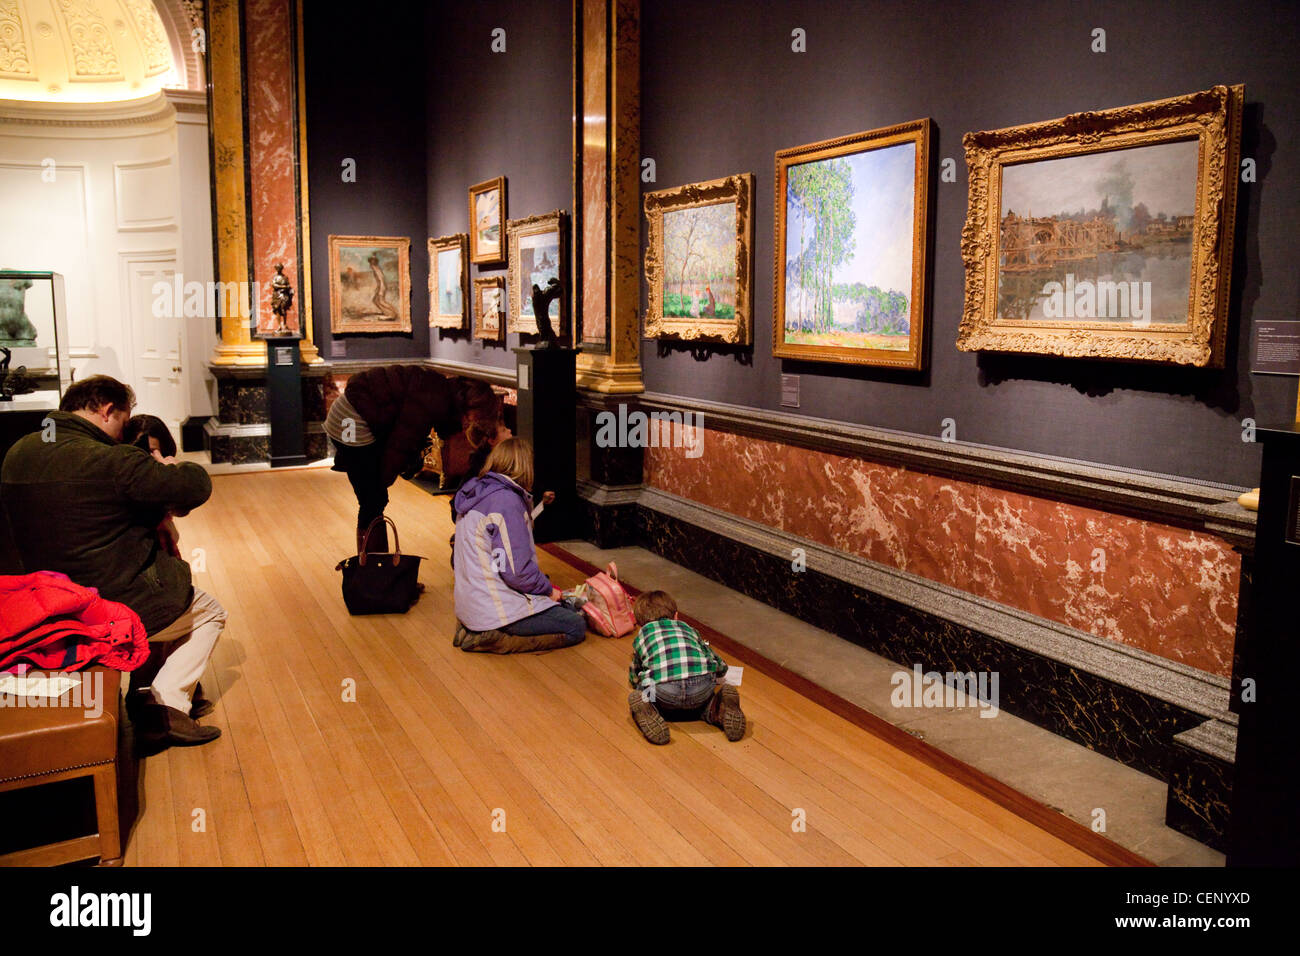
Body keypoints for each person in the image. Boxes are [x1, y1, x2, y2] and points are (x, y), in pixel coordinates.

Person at [0, 375, 225, 748]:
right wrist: (167, 465)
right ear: (107, 410)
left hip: (39, 602)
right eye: (123, 418)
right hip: (100, 605)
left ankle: (145, 687)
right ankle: (165, 706)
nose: (122, 430)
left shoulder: (17, 452)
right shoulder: (110, 459)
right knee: (208, 611)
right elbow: (194, 485)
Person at [324, 365, 502, 554]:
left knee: (373, 500)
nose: (473, 422)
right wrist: (384, 478)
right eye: (477, 416)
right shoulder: (433, 398)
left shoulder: (440, 391)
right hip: (350, 420)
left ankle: (377, 570)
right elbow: (401, 443)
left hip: (350, 416)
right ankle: (373, 574)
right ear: (470, 405)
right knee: (372, 500)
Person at [451, 437, 586, 649]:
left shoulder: (479, 491)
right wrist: (548, 590)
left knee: (564, 608)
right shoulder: (505, 501)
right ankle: (492, 639)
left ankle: (474, 630)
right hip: (494, 610)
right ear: (524, 467)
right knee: (575, 625)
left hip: (471, 605)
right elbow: (516, 572)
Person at [627, 590, 744, 745]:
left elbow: (635, 673)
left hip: (665, 693)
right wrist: (722, 670)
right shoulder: (689, 629)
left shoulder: (642, 636)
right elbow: (713, 659)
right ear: (676, 616)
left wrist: (637, 684)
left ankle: (649, 707)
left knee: (644, 689)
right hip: (701, 689)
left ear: (639, 623)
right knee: (703, 700)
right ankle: (716, 710)